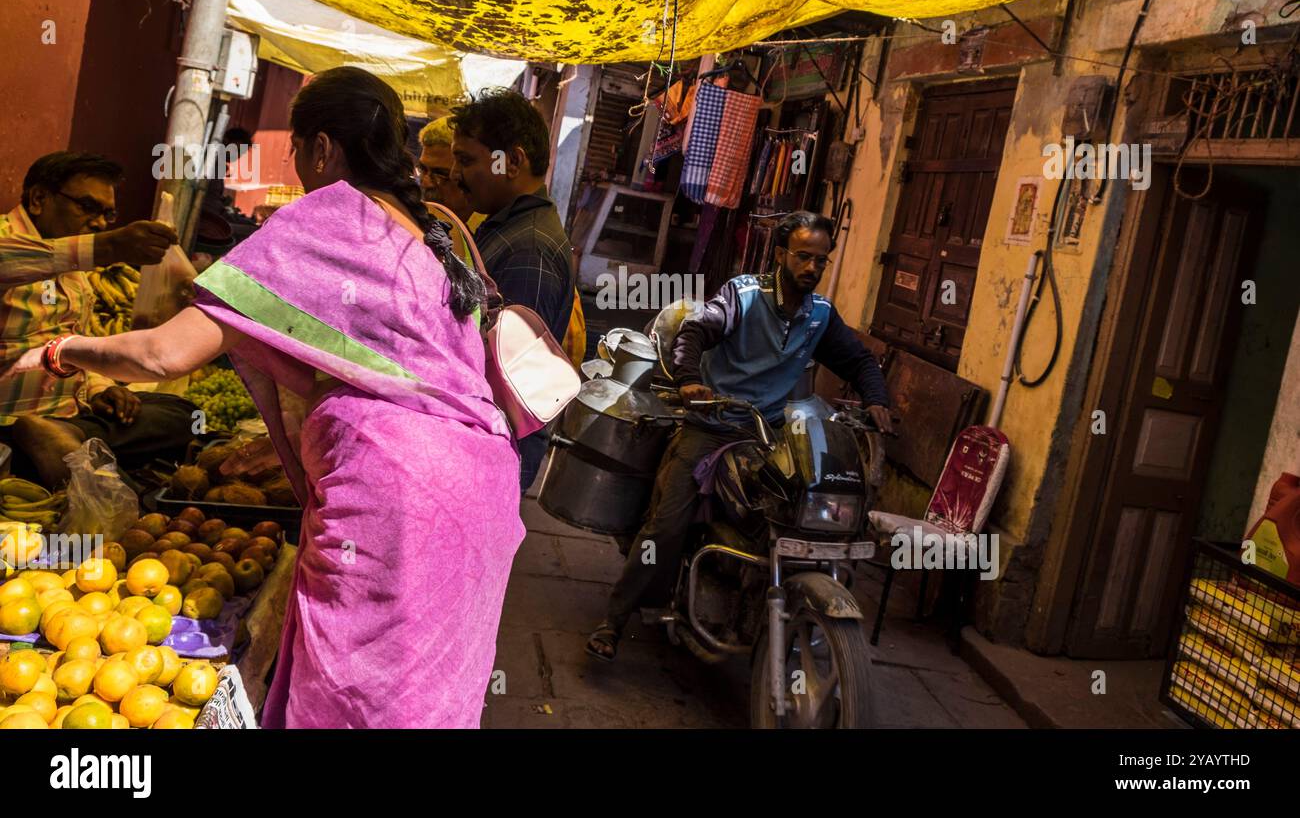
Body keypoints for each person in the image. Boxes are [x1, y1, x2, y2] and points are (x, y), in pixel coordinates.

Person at [4, 68, 524, 728]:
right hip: (480, 495)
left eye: (299, 150)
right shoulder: (438, 226)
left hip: (396, 500)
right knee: (423, 694)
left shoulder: (331, 216)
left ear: (322, 148)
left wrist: (60, 351)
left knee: (351, 694)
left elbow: (161, 354)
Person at [585, 211, 892, 661]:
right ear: (781, 254)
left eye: (821, 261)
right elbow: (696, 331)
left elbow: (859, 361)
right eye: (803, 257)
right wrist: (690, 379)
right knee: (666, 525)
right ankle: (614, 620)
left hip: (767, 433)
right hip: (712, 422)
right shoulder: (742, 295)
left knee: (799, 509)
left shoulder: (820, 315)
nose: (811, 268)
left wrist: (877, 400)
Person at [0, 152, 198, 486]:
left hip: (69, 415)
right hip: (6, 425)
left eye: (108, 214)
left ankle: (68, 437)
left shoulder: (75, 269)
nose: (101, 223)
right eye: (88, 207)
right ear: (38, 199)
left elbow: (75, 339)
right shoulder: (12, 243)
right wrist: (103, 248)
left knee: (183, 415)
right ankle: (48, 447)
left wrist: (99, 388)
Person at [450, 88, 575, 488]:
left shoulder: (530, 248)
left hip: (491, 458)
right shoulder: (508, 227)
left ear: (513, 160)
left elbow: (508, 387)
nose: (456, 175)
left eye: (466, 160)